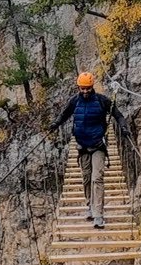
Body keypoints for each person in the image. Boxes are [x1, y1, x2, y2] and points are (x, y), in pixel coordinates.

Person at [48, 72, 128, 229]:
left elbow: (118, 115)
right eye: (82, 88)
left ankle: (98, 214)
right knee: (86, 178)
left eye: (88, 88)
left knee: (96, 178)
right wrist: (55, 124)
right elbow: (64, 115)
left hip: (98, 144)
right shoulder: (74, 101)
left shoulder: (102, 100)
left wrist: (124, 127)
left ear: (92, 87)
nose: (85, 91)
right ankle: (89, 205)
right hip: (82, 145)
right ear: (78, 87)